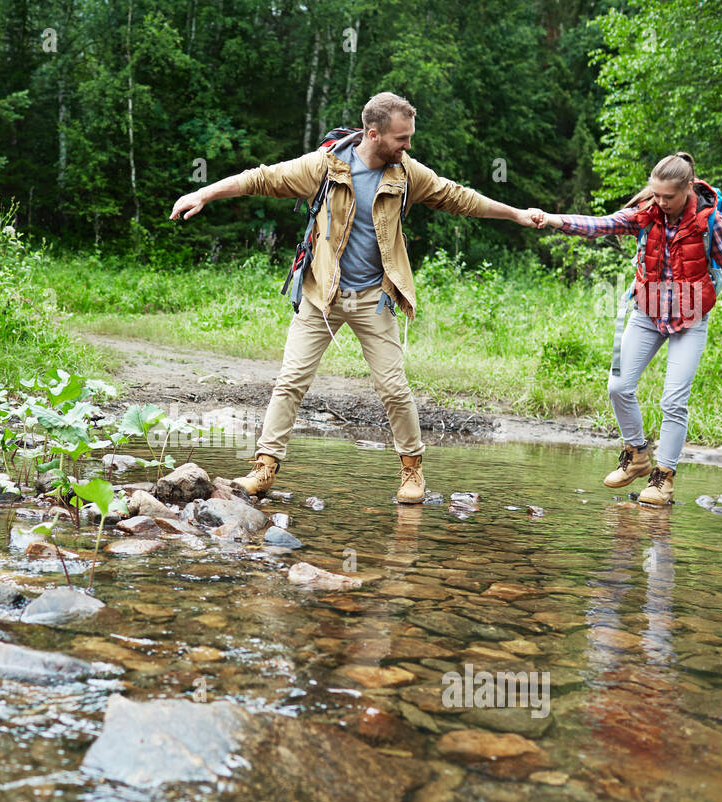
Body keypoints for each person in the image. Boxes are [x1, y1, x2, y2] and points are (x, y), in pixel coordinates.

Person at [169, 91, 543, 504]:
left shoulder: (406, 173)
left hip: (374, 298)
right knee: (290, 382)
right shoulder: (324, 168)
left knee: (395, 390)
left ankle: (412, 471)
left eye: (410, 138)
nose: (408, 146)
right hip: (321, 296)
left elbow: (460, 197)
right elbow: (260, 178)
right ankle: (265, 467)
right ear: (373, 133)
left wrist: (516, 214)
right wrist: (204, 193)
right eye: (402, 139)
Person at [532, 152, 722, 505]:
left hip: (690, 318)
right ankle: (636, 454)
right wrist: (554, 220)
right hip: (647, 312)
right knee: (618, 386)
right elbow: (600, 225)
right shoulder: (646, 214)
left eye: (669, 197)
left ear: (688, 189)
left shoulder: (709, 222)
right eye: (656, 195)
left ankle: (663, 479)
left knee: (673, 401)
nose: (661, 203)